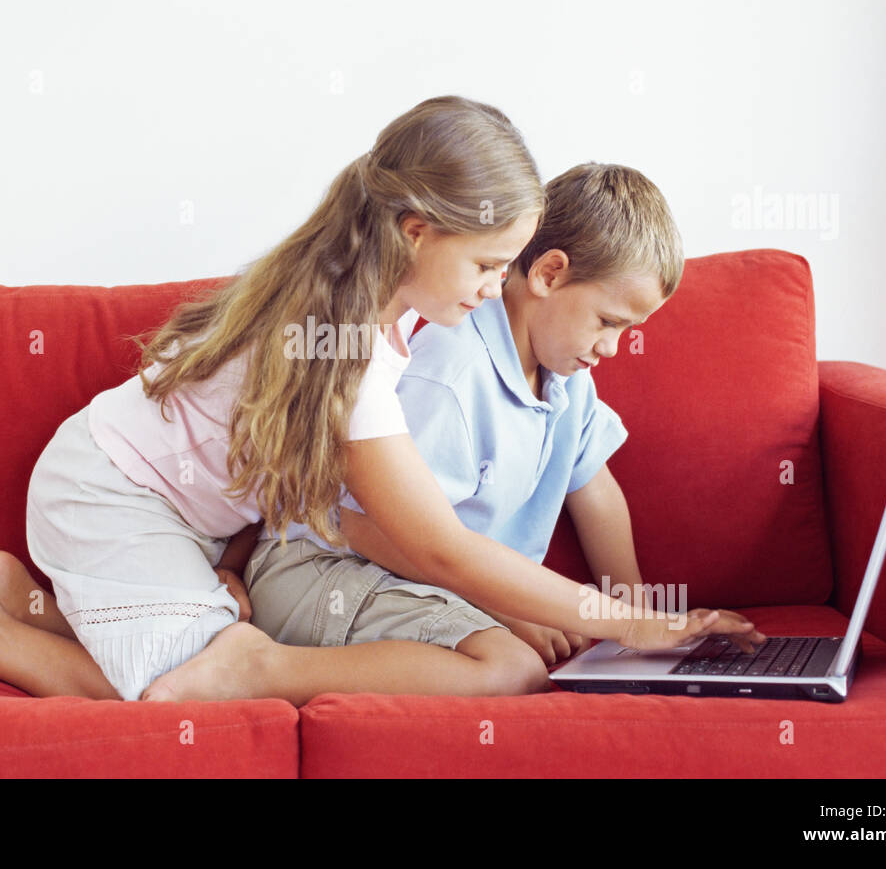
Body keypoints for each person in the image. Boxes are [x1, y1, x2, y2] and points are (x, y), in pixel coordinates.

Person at [0, 98, 760, 704]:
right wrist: (638, 622)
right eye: (483, 264)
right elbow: (437, 543)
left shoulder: (384, 318)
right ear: (415, 230)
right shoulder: (351, 346)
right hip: (113, 497)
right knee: (173, 701)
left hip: (174, 518)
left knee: (213, 655)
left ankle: (18, 597)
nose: (491, 287)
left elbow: (276, 471)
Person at [245, 162, 766, 682]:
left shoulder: (567, 373)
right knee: (512, 670)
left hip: (424, 580)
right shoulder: (451, 376)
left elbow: (596, 494)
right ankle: (258, 669)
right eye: (608, 321)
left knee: (515, 663)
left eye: (627, 330)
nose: (612, 347)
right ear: (549, 274)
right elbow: (366, 528)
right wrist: (507, 607)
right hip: (328, 568)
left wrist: (649, 627)